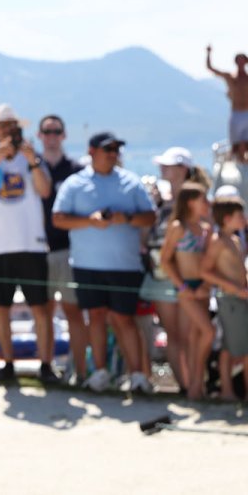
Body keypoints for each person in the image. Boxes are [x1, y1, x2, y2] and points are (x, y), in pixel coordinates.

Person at [52, 132, 157, 393]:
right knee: (96, 317)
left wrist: (127, 218)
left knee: (124, 319)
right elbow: (58, 219)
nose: (112, 154)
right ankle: (99, 373)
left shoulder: (130, 181)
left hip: (125, 265)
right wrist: (90, 221)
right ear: (91, 151)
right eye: (107, 149)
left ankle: (138, 376)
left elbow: (150, 217)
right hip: (86, 264)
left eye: (116, 150)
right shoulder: (75, 183)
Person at [0, 103, 56, 382]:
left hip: (31, 244)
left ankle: (46, 365)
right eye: (2, 126)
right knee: (2, 308)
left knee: (40, 308)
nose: (7, 131)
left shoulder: (32, 158)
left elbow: (45, 190)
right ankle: (8, 364)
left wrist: (32, 160)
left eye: (11, 126)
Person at [37, 114, 88, 383]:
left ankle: (80, 371)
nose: (52, 136)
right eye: (47, 132)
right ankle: (46, 367)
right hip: (39, 250)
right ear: (39, 136)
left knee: (73, 313)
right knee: (43, 312)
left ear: (64, 135)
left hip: (69, 249)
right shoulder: (33, 167)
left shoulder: (76, 170)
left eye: (56, 131)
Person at [159, 182, 214, 400]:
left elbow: (208, 262)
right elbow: (165, 260)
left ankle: (196, 386)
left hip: (201, 287)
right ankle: (194, 384)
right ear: (191, 202)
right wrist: (181, 286)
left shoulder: (204, 228)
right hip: (186, 289)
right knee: (203, 333)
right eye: (203, 200)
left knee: (196, 337)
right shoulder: (178, 227)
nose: (207, 204)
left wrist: (205, 285)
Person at [201, 195, 248, 401]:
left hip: (238, 299)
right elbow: (205, 271)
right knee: (239, 348)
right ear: (227, 218)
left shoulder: (235, 240)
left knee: (229, 347)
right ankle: (230, 392)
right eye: (240, 215)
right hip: (229, 300)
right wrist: (234, 289)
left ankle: (228, 392)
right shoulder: (217, 241)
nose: (244, 219)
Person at [207, 44, 248, 145]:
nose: (241, 63)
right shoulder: (230, 77)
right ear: (236, 62)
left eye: (242, 61)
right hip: (236, 113)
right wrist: (208, 53)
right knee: (236, 145)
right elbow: (211, 68)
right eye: (239, 61)